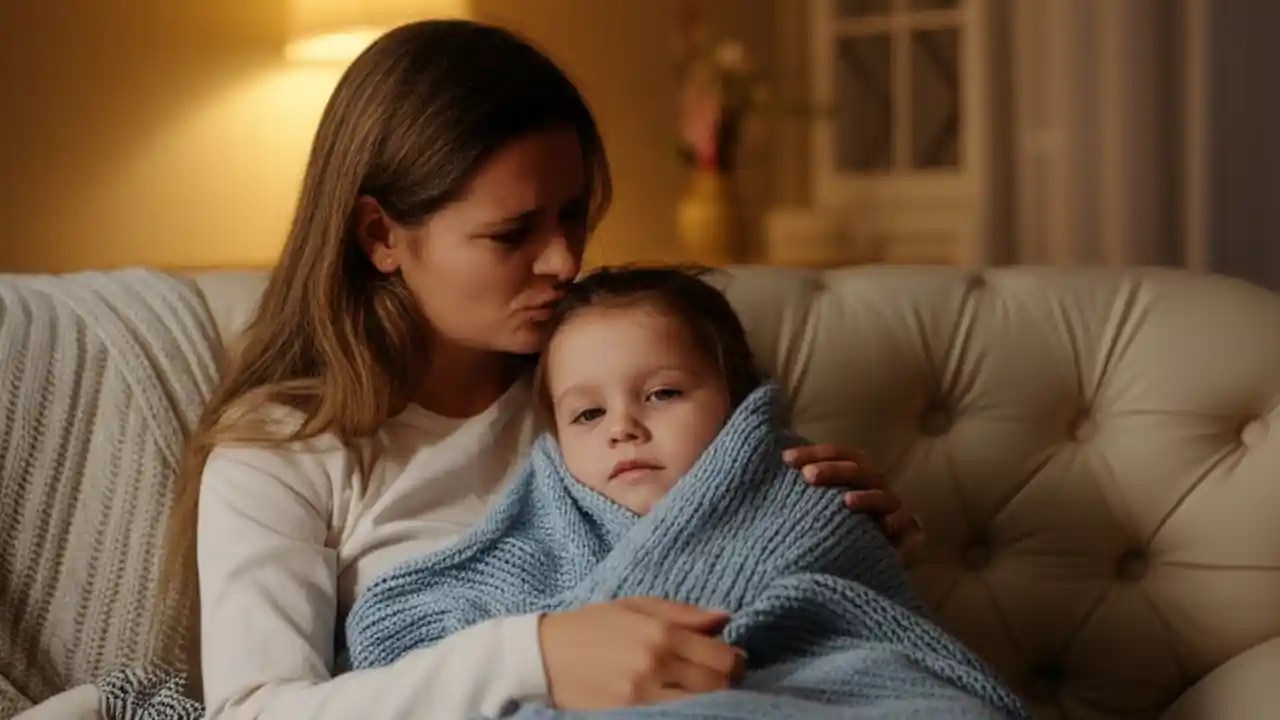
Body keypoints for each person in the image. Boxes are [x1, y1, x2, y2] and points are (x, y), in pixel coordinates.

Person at [162, 19, 922, 720]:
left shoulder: (618, 372)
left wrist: (827, 521)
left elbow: (764, 578)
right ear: (380, 236)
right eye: (511, 234)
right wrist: (534, 656)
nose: (563, 261)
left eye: (572, 215)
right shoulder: (287, 453)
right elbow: (254, 711)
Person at [533, 265, 766, 517]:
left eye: (662, 394)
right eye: (590, 414)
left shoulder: (806, 498)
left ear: (736, 395)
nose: (621, 429)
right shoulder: (528, 544)